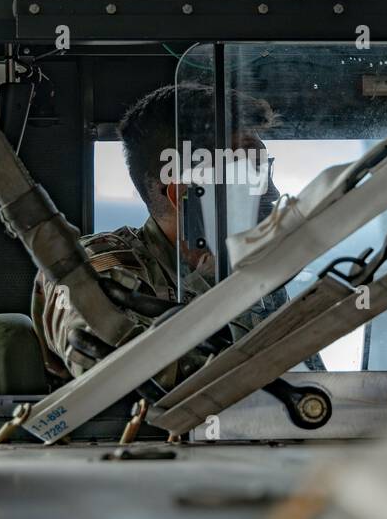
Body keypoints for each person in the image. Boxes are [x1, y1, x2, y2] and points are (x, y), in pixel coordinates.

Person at [30, 82, 281, 389]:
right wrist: (209, 291)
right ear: (185, 194)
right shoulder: (96, 265)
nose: (273, 193)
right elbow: (112, 376)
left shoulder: (252, 273)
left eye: (265, 174)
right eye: (253, 178)